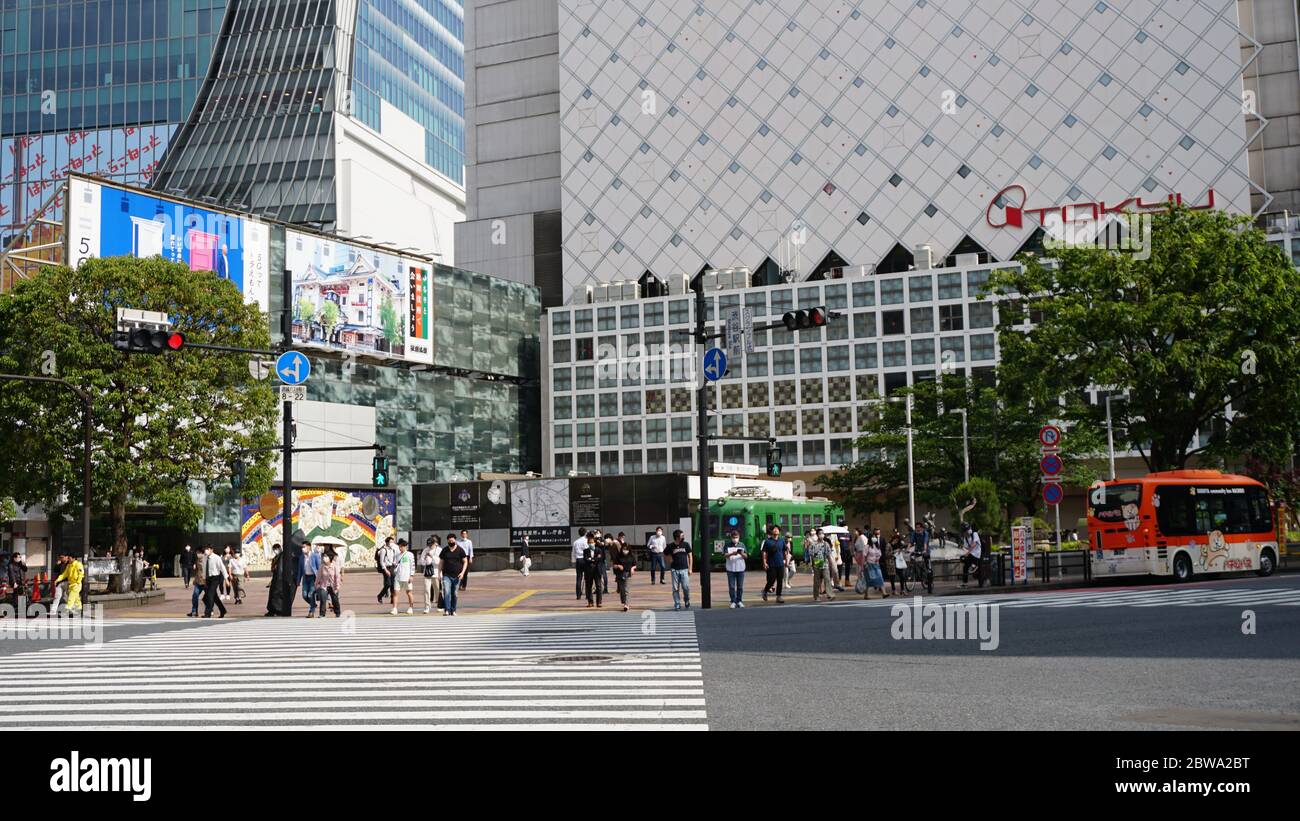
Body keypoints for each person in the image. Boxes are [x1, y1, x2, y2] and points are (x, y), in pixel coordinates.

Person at [439, 534, 468, 616]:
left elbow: (465, 561)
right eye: (449, 541)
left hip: (457, 575)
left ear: (455, 540)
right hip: (446, 575)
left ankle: (453, 610)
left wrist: (462, 573)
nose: (451, 542)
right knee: (447, 592)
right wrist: (439, 573)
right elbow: (441, 563)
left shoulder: (460, 550)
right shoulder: (444, 550)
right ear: (447, 541)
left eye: (452, 540)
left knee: (454, 593)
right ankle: (447, 610)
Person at [760, 525, 788, 603]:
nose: (776, 530)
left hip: (780, 563)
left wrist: (786, 560)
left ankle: (779, 596)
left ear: (779, 531)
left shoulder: (782, 540)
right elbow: (764, 552)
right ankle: (765, 591)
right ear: (772, 531)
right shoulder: (767, 541)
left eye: (777, 529)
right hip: (771, 564)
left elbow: (785, 551)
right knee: (771, 580)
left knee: (780, 580)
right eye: (774, 529)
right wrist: (764, 562)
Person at [666, 529, 692, 610]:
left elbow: (690, 556)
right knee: (675, 588)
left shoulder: (686, 544)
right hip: (674, 570)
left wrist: (690, 568)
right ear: (677, 537)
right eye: (682, 536)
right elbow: (665, 554)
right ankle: (677, 603)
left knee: (686, 587)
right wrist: (669, 560)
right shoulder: (670, 546)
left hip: (684, 569)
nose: (683, 537)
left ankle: (687, 600)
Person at [201, 545, 228, 618]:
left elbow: (222, 568)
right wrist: (204, 579)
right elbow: (204, 569)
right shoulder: (204, 557)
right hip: (207, 579)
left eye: (208, 549)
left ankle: (208, 613)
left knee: (209, 595)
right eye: (205, 549)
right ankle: (222, 610)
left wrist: (226, 579)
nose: (206, 550)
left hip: (215, 578)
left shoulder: (216, 558)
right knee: (213, 597)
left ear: (212, 550)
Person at [809, 529, 835, 602]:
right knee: (816, 581)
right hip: (816, 565)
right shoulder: (813, 545)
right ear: (817, 535)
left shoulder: (826, 544)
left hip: (825, 565)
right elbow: (811, 555)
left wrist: (831, 564)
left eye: (823, 533)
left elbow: (829, 555)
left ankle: (830, 595)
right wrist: (813, 565)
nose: (821, 535)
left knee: (827, 580)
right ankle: (816, 596)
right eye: (820, 533)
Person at [390, 539, 416, 614]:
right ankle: (394, 608)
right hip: (398, 577)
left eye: (401, 546)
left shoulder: (410, 554)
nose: (400, 548)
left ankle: (411, 607)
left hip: (407, 577)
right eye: (399, 546)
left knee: (409, 592)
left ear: (405, 546)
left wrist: (411, 575)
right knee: (395, 593)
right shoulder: (397, 555)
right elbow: (395, 563)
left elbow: (413, 566)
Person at [611, 537, 636, 612]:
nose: (625, 550)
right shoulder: (618, 556)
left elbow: (634, 564)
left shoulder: (631, 556)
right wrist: (618, 566)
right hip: (620, 574)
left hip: (628, 574)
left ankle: (626, 604)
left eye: (627, 549)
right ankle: (624, 601)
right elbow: (614, 565)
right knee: (622, 590)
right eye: (624, 549)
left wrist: (632, 568)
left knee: (626, 590)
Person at [723, 530, 746, 608]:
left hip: (740, 569)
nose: (735, 539)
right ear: (731, 538)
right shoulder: (727, 545)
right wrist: (733, 553)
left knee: (740, 586)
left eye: (736, 537)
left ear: (739, 537)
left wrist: (741, 553)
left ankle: (739, 601)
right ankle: (733, 601)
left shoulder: (742, 545)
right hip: (730, 569)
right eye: (733, 537)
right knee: (732, 586)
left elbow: (746, 556)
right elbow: (725, 555)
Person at [315, 551, 342, 617]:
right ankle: (322, 614)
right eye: (324, 556)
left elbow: (337, 576)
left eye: (326, 556)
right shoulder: (322, 566)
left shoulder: (335, 565)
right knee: (323, 599)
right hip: (324, 585)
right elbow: (318, 576)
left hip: (333, 586)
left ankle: (337, 612)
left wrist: (338, 586)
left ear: (330, 557)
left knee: (335, 600)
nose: (324, 558)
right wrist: (316, 584)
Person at [420, 536, 442, 614]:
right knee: (426, 589)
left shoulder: (439, 550)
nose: (429, 546)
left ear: (435, 543)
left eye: (431, 544)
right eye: (428, 544)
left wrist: (431, 556)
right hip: (427, 573)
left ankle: (439, 606)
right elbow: (421, 562)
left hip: (436, 573)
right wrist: (426, 559)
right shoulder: (425, 550)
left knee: (437, 590)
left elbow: (439, 562)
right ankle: (427, 606)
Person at [583, 536, 607, 608]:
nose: (591, 544)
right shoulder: (585, 551)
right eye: (589, 543)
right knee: (589, 587)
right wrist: (594, 559)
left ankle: (599, 602)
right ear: (588, 543)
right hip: (589, 571)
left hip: (597, 570)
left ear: (595, 543)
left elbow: (600, 559)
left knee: (598, 586)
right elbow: (586, 559)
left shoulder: (598, 550)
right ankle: (590, 602)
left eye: (592, 542)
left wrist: (592, 559)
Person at [960, 524, 984, 588]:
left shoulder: (974, 534)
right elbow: (966, 547)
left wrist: (967, 553)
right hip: (971, 554)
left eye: (965, 532)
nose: (965, 534)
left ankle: (974, 565)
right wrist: (962, 548)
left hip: (977, 553)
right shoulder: (966, 538)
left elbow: (974, 544)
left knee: (966, 558)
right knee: (964, 565)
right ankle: (965, 583)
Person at [300, 542, 320, 616]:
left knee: (310, 595)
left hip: (313, 578)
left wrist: (319, 579)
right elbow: (300, 569)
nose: (302, 549)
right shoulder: (302, 557)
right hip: (305, 578)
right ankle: (313, 604)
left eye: (304, 547)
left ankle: (311, 611)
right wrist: (298, 580)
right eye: (302, 547)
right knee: (304, 595)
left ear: (308, 547)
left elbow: (319, 568)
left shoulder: (315, 556)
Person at [376, 536, 397, 604]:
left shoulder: (393, 550)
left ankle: (392, 598)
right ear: (387, 543)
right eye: (391, 542)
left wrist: (394, 563)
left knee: (393, 584)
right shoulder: (383, 550)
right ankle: (380, 595)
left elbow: (394, 559)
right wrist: (385, 570)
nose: (392, 543)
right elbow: (382, 561)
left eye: (393, 542)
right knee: (388, 584)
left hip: (392, 567)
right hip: (386, 568)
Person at [571, 528, 589, 600]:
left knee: (579, 578)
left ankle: (578, 595)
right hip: (585, 560)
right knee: (587, 578)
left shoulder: (575, 542)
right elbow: (588, 551)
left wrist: (573, 561)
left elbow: (573, 552)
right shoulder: (586, 541)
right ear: (585, 533)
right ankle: (588, 595)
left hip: (578, 560)